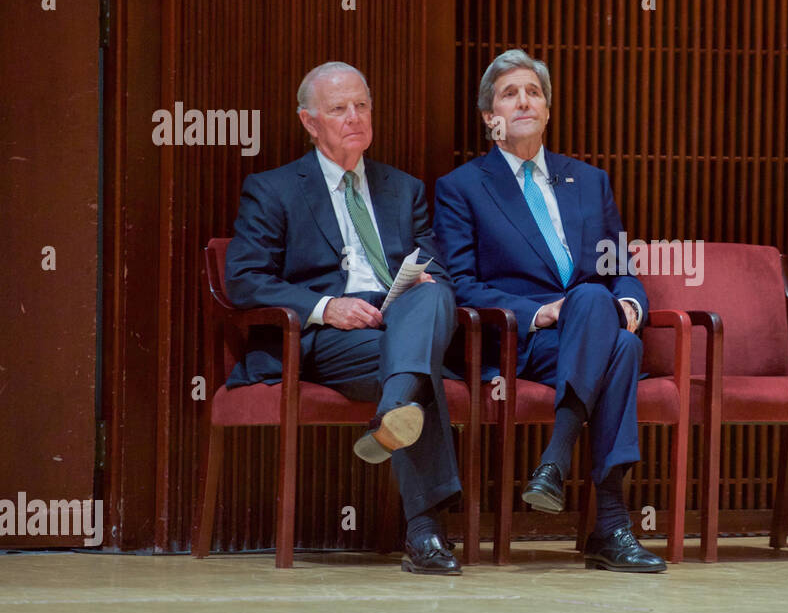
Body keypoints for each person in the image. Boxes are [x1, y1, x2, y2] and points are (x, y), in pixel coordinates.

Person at [224, 61, 463, 575]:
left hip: (401, 319)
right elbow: (243, 279)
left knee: (434, 294)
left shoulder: (403, 188)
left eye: (362, 105)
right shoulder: (275, 188)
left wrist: (420, 283)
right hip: (328, 338)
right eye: (339, 109)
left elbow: (435, 261)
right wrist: (326, 308)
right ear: (310, 122)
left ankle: (392, 415)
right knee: (415, 364)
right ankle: (424, 528)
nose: (354, 117)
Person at [434, 49, 663, 573]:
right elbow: (462, 286)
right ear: (489, 116)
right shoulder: (462, 188)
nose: (523, 101)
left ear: (548, 110)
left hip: (590, 328)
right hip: (521, 338)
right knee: (616, 342)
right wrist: (539, 313)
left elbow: (617, 265)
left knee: (610, 320)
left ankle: (557, 466)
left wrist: (629, 301)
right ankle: (609, 525)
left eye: (533, 92)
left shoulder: (589, 181)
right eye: (509, 93)